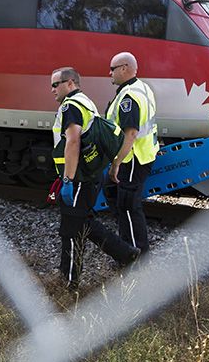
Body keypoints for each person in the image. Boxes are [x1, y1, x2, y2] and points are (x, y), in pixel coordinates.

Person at [50, 67, 139, 291]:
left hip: (78, 177)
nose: (52, 89)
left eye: (55, 84)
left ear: (70, 83)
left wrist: (68, 180)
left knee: (71, 228)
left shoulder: (71, 106)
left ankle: (69, 283)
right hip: (89, 174)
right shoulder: (85, 101)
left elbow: (73, 142)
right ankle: (126, 254)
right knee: (83, 221)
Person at [105, 52, 158, 254]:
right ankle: (126, 246)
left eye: (112, 69)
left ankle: (137, 255)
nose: (109, 73)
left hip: (133, 158)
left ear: (124, 68)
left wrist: (116, 163)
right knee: (116, 197)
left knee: (128, 207)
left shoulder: (129, 96)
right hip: (142, 155)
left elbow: (131, 133)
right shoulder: (142, 87)